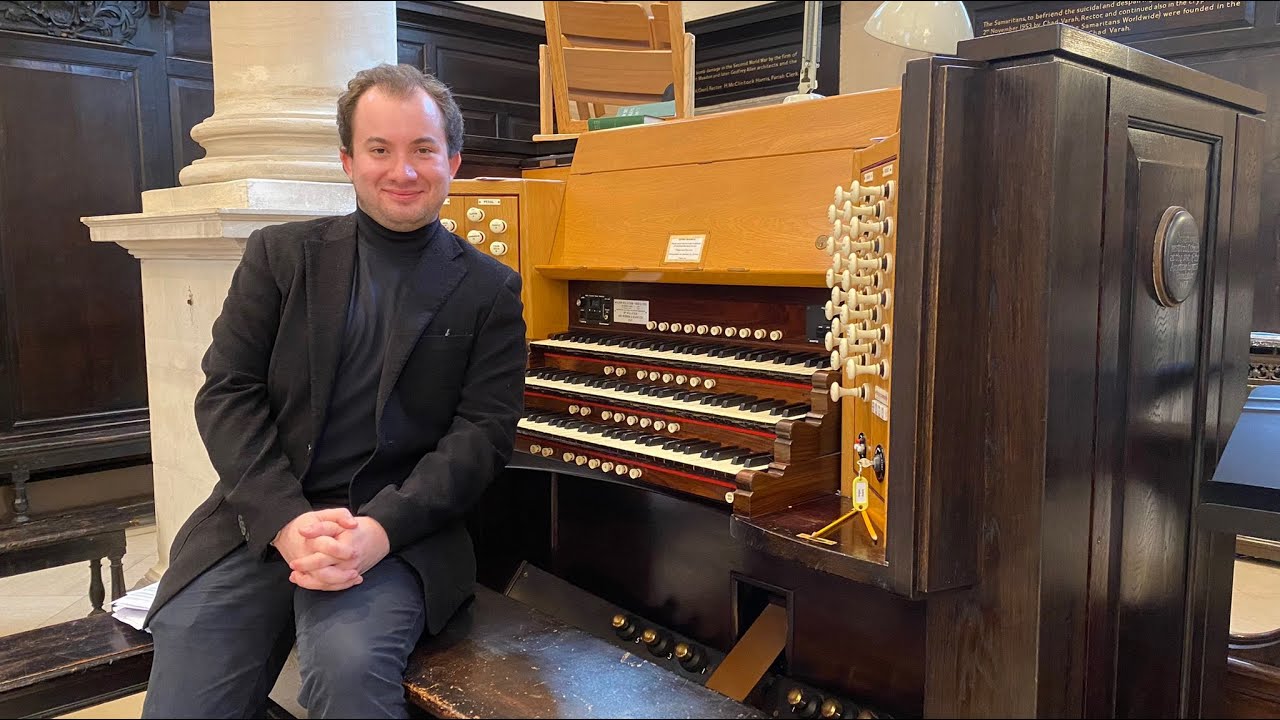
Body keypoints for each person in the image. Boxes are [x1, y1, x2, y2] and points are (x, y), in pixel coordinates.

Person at [140, 63, 527, 718]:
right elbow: (228, 393)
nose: (401, 171)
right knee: (187, 699)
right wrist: (287, 521)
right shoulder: (280, 257)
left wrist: (379, 530)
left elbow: (481, 440)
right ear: (348, 160)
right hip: (264, 521)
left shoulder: (490, 289)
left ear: (453, 160)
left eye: (423, 149)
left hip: (397, 533)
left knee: (347, 676)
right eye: (380, 149)